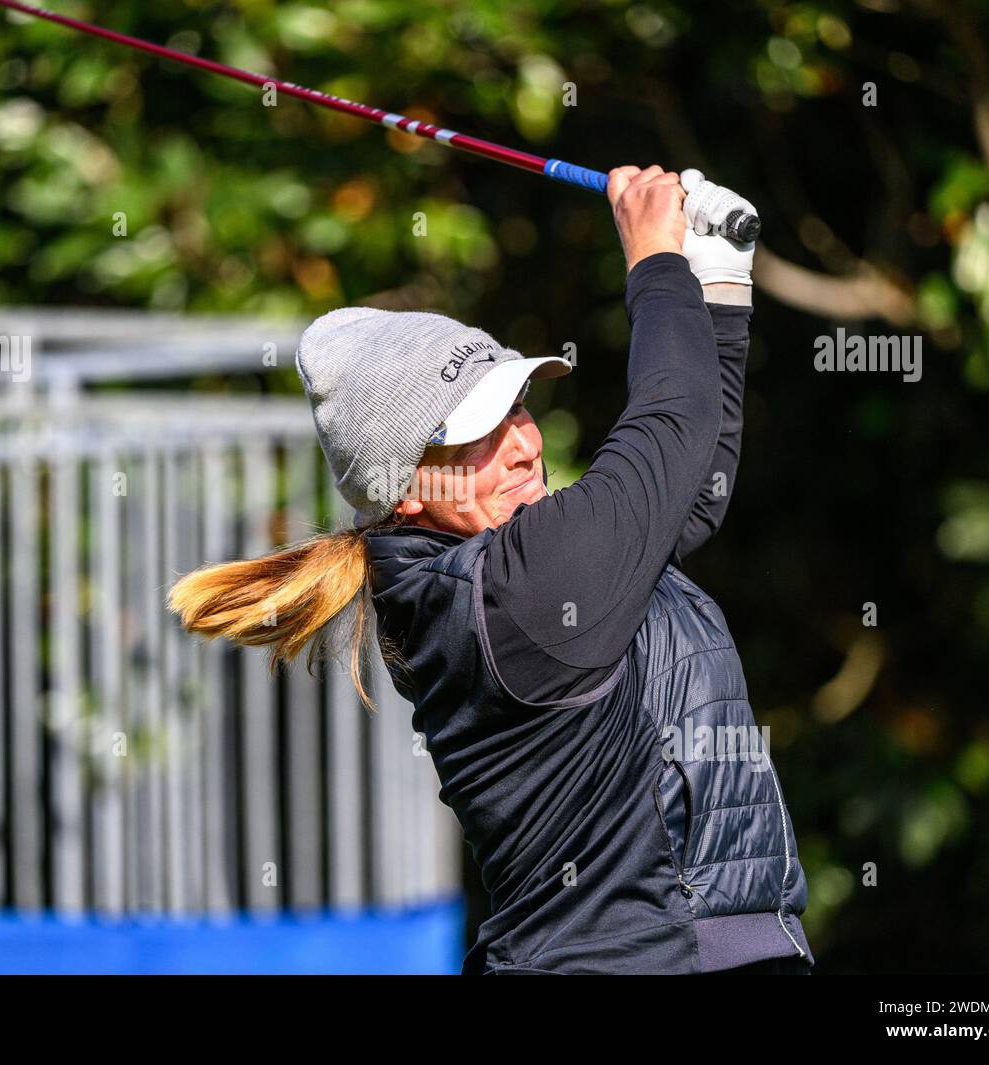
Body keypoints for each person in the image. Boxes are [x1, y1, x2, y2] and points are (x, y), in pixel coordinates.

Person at [170, 164, 815, 975]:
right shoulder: (512, 592)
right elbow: (672, 427)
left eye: (517, 406)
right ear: (406, 488)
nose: (525, 442)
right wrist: (656, 258)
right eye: (480, 431)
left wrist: (718, 277)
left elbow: (690, 491)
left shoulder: (522, 562)